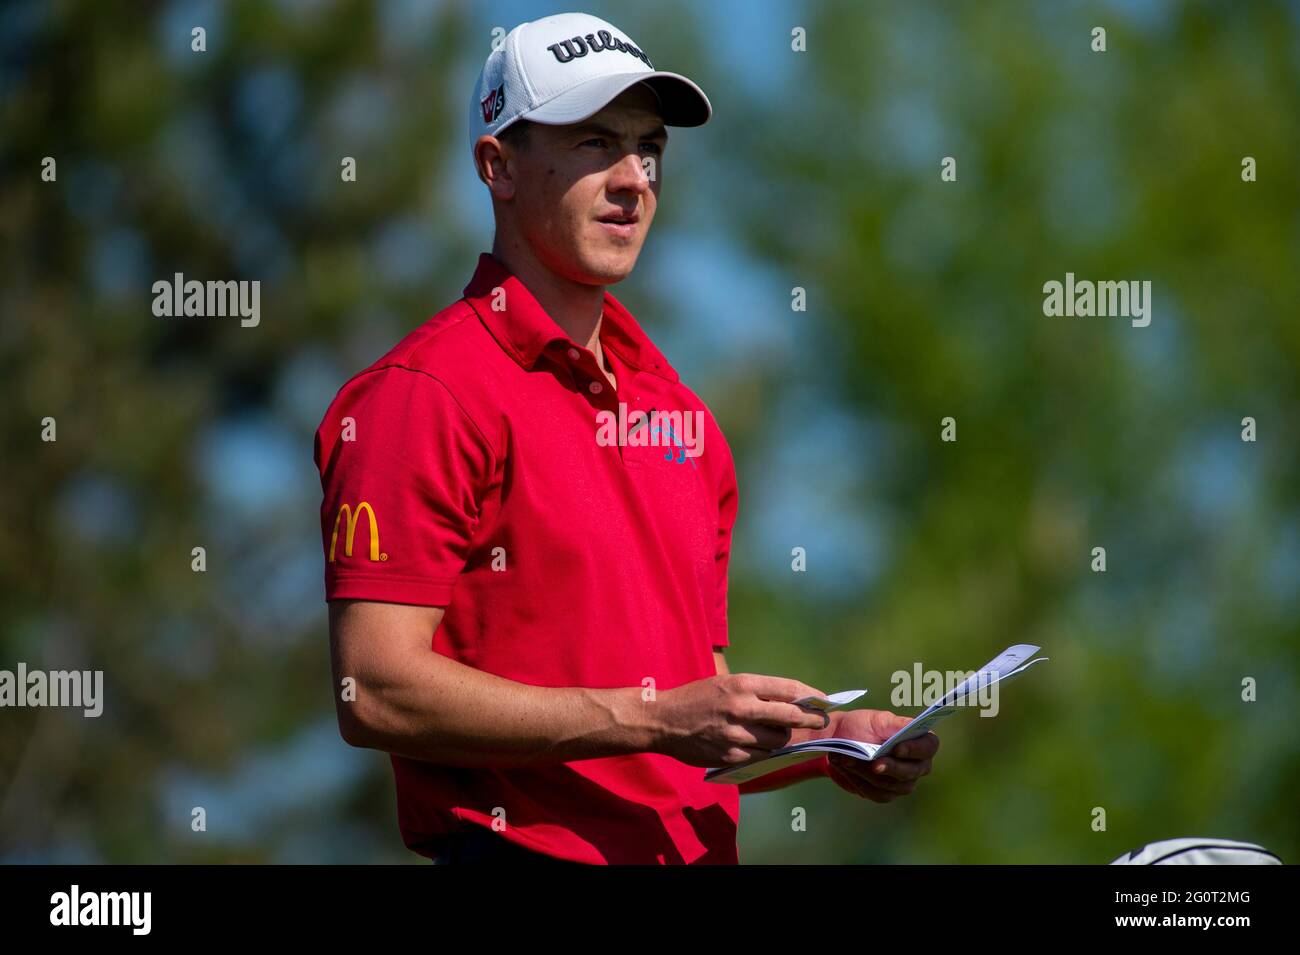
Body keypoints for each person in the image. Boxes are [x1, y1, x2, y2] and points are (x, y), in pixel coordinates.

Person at [314, 11, 938, 865]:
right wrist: (659, 714)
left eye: (649, 148)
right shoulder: (422, 396)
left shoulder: (684, 418)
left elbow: (681, 748)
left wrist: (832, 741)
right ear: (497, 165)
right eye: (595, 143)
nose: (634, 178)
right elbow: (373, 689)